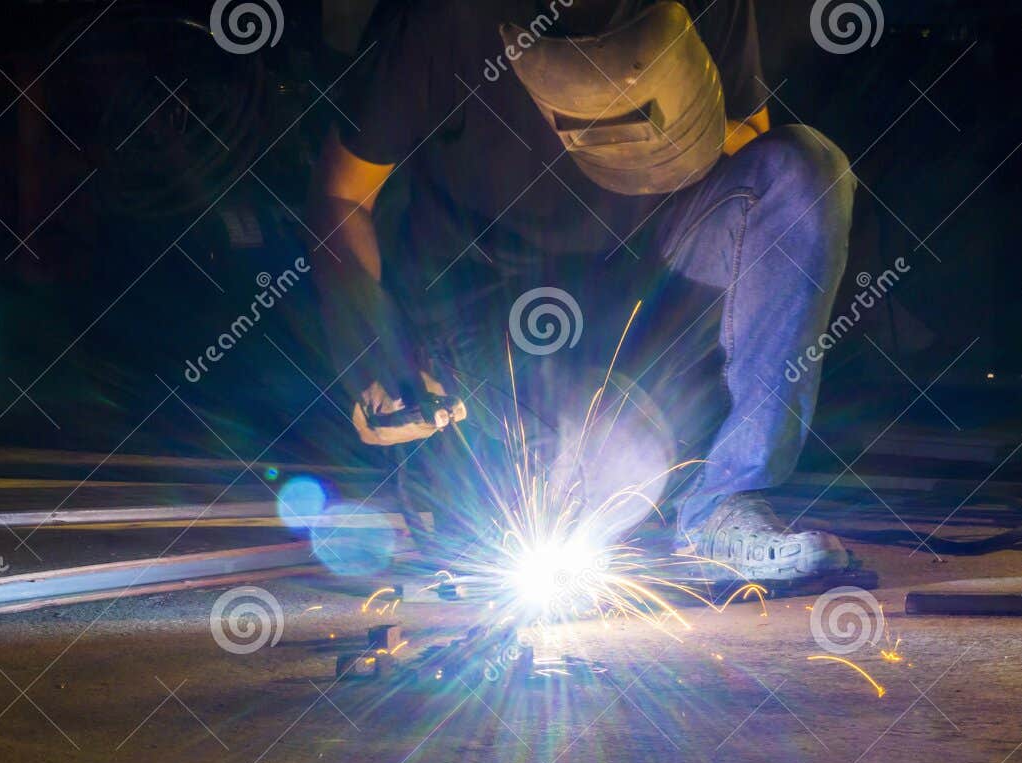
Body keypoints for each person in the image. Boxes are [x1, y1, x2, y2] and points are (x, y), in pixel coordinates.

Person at [307, 0, 858, 582]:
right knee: (626, 461)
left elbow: (748, 159)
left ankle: (723, 504)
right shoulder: (446, 18)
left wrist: (676, 120)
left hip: (646, 289)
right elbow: (341, 196)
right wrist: (372, 351)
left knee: (802, 173)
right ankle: (542, 484)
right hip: (496, 315)